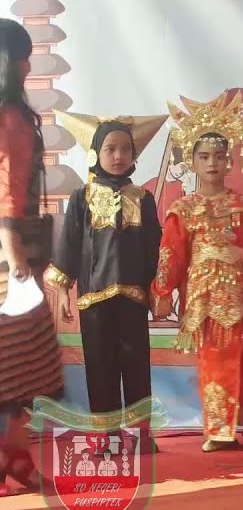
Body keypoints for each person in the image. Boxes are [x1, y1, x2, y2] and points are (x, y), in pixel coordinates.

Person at [151, 92, 243, 452]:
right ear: (191, 161)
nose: (212, 163)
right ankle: (220, 431)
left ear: (230, 161)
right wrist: (163, 291)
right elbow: (171, 255)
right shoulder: (183, 209)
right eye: (204, 156)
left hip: (242, 296)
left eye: (220, 156)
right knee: (214, 360)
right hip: (204, 297)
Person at [44, 111, 165, 444]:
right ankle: (106, 435)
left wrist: (160, 289)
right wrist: (63, 293)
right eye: (111, 148)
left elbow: (155, 248)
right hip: (93, 298)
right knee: (100, 366)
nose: (118, 156)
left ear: (134, 155)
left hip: (134, 297)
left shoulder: (144, 199)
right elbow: (68, 246)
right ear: (96, 152)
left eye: (125, 149)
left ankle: (142, 434)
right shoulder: (81, 197)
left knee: (137, 366)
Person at [0, 19, 62, 495]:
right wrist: (14, 255)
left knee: (22, 366)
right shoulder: (10, 118)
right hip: (8, 254)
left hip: (15, 247)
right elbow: (8, 189)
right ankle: (11, 459)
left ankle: (16, 457)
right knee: (12, 366)